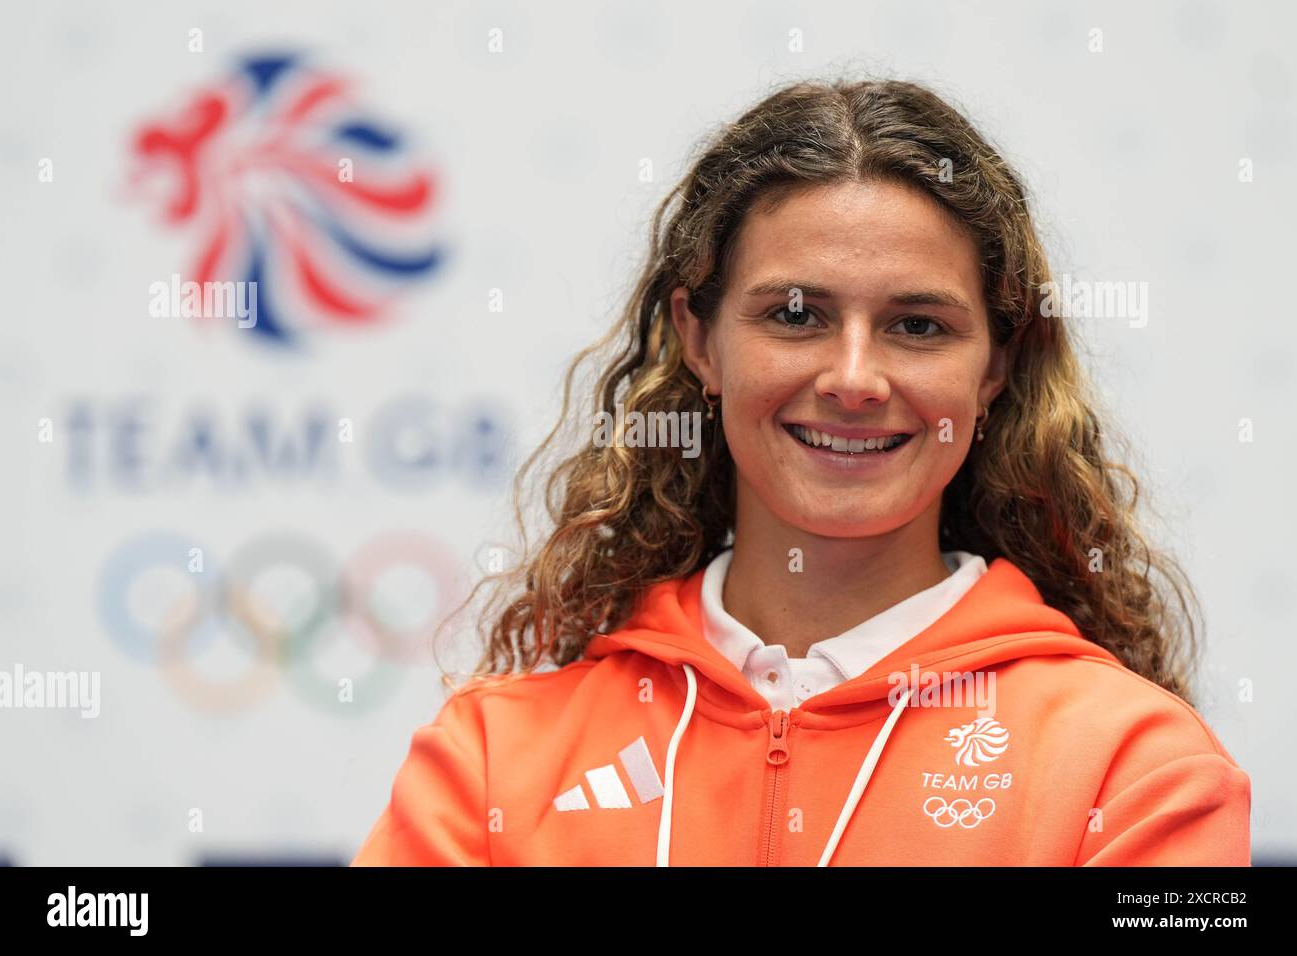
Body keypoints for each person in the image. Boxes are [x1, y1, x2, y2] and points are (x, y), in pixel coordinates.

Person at [352, 76, 1250, 866]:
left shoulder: (1135, 770)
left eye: (918, 326)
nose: (854, 379)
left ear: (995, 369)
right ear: (700, 339)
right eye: (795, 315)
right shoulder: (490, 759)